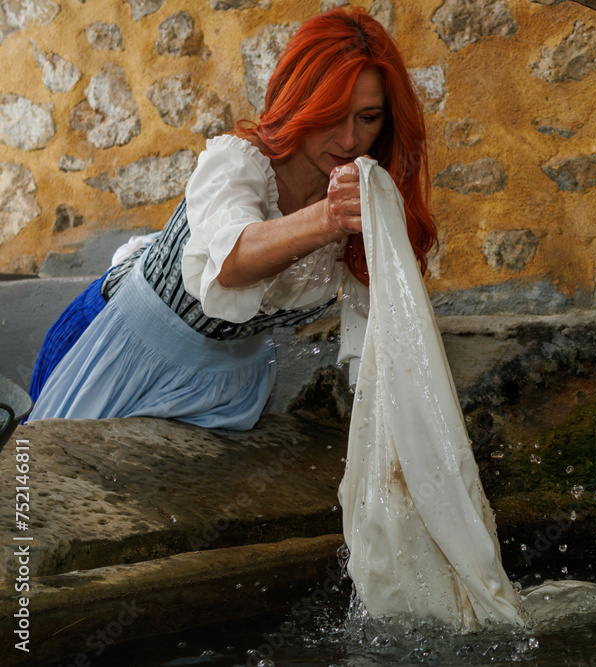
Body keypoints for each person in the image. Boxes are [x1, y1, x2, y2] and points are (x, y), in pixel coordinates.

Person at [29, 7, 435, 430]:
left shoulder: (365, 190)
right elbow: (232, 263)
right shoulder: (237, 165)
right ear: (296, 101)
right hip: (119, 355)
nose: (350, 139)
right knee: (39, 470)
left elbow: (385, 330)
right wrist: (329, 218)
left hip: (230, 393)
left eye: (367, 118)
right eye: (330, 113)